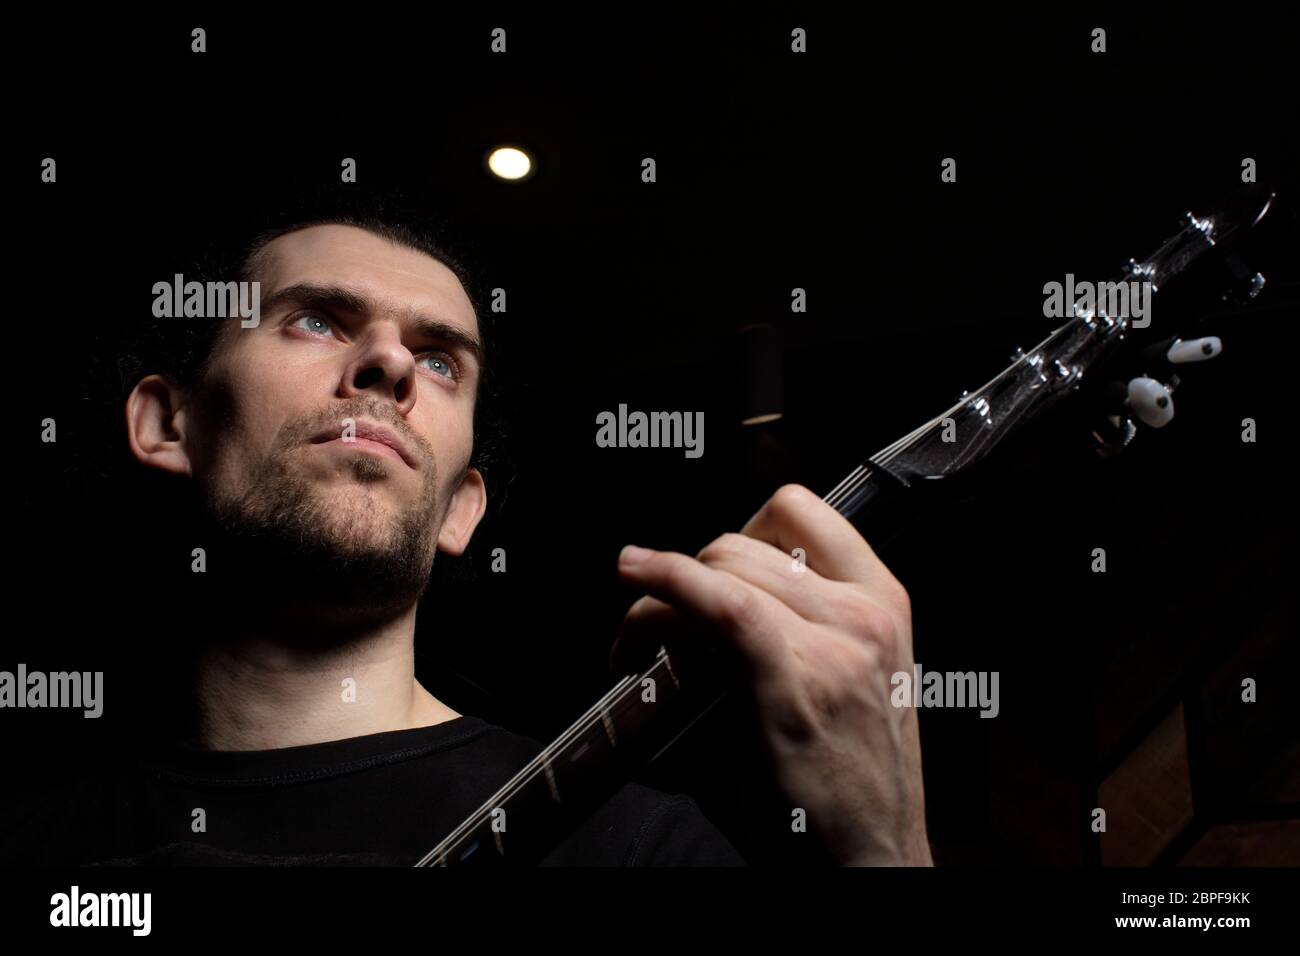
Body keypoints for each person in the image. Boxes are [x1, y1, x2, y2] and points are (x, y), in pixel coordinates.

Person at [3, 213, 931, 866]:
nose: (393, 364)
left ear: (460, 510)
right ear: (169, 424)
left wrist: (886, 851)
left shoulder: (629, 845)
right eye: (316, 318)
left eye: (441, 360)